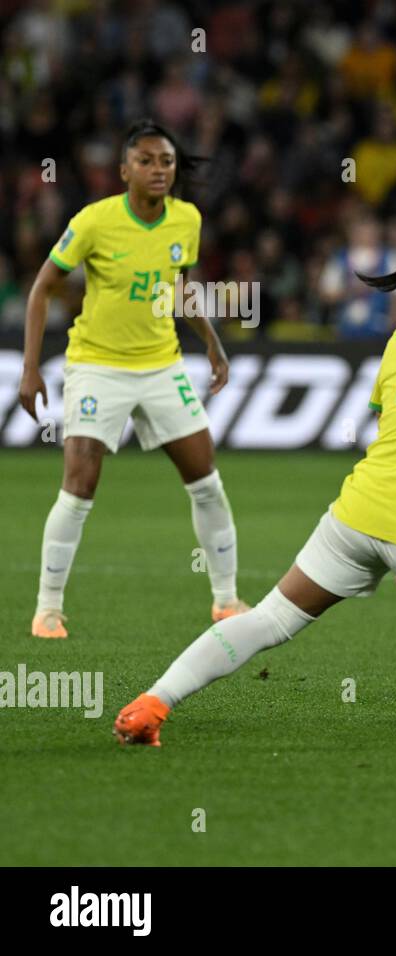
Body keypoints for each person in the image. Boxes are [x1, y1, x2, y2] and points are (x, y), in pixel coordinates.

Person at [114, 220, 396, 748]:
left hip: (360, 512)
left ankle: (153, 702)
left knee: (270, 618)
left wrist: (395, 546)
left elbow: (385, 428)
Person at [18, 119, 248, 639]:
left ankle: (227, 600)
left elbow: (182, 289)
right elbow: (42, 289)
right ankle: (48, 608)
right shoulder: (95, 221)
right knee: (79, 487)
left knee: (207, 481)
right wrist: (31, 368)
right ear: (124, 171)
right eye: (145, 161)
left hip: (162, 365)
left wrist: (211, 342)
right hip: (98, 366)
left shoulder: (186, 219)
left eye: (166, 160)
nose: (158, 169)